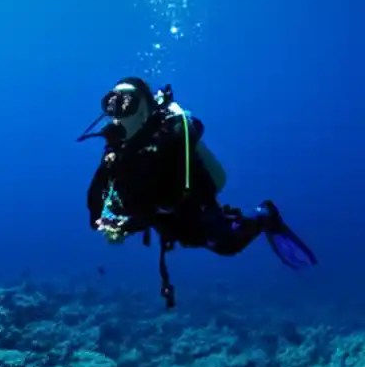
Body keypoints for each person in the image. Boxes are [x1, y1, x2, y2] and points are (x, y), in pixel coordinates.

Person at [78, 77, 316, 308]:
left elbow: (169, 196)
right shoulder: (116, 148)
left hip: (190, 207)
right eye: (111, 101)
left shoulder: (168, 137)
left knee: (227, 245)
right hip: (161, 216)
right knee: (190, 237)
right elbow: (105, 191)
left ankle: (265, 215)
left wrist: (128, 224)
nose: (116, 109)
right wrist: (109, 221)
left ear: (144, 108)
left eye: (125, 101)